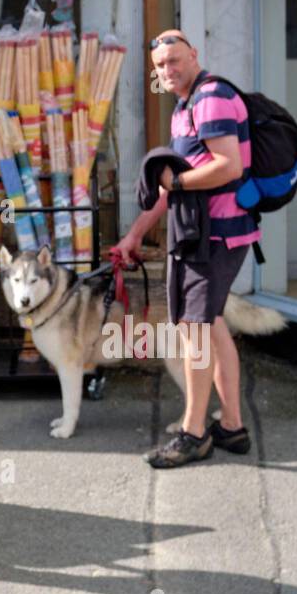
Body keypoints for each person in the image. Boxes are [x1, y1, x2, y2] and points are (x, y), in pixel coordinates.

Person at [117, 30, 258, 468]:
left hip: (214, 236)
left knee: (195, 331)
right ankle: (231, 425)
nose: (168, 70)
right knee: (210, 325)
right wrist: (136, 233)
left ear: (194, 55)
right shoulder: (184, 106)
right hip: (203, 235)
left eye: (175, 60)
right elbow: (172, 187)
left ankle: (194, 433)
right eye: (161, 65)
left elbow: (227, 166)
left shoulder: (210, 98)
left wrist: (175, 182)